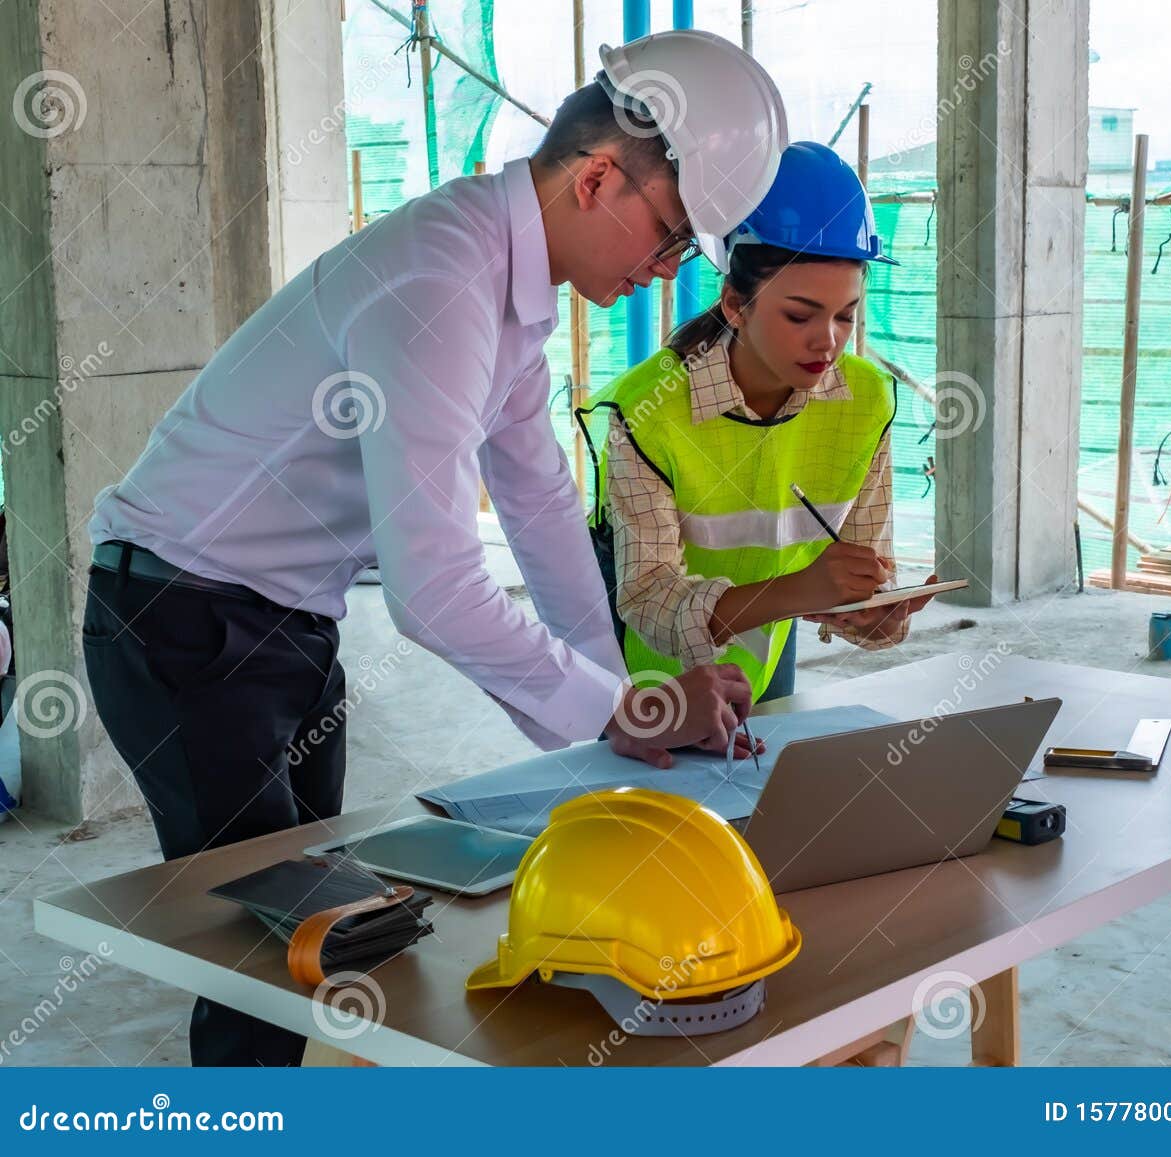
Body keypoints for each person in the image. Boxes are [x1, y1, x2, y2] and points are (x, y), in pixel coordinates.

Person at [79, 30, 786, 1067]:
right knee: (268, 948)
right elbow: (436, 588)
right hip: (181, 616)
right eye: (675, 239)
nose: (666, 273)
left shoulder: (507, 286)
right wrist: (617, 710)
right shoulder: (439, 280)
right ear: (599, 178)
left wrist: (621, 705)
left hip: (279, 620)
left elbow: (539, 501)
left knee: (326, 933)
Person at [579, 142, 940, 707]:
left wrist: (870, 614)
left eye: (846, 315)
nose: (828, 341)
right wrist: (799, 591)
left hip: (767, 650)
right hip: (642, 677)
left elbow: (864, 565)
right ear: (734, 305)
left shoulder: (866, 402)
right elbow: (648, 599)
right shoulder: (650, 411)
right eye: (799, 315)